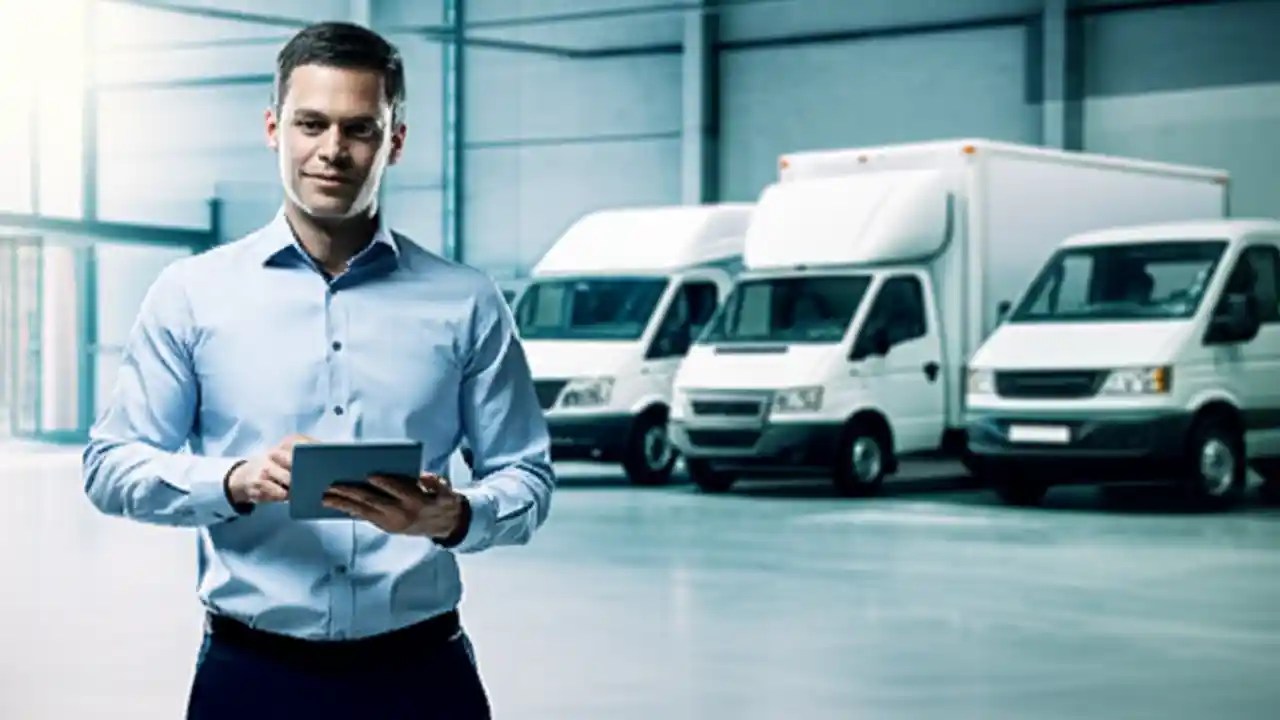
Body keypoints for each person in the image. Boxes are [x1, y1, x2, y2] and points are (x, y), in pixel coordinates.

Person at [80, 21, 554, 720]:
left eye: (360, 129)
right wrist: (234, 481)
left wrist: (453, 514)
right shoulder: (190, 295)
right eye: (311, 123)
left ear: (394, 141)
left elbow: (527, 477)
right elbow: (110, 466)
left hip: (422, 677)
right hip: (253, 677)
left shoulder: (468, 301)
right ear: (274, 128)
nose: (333, 151)